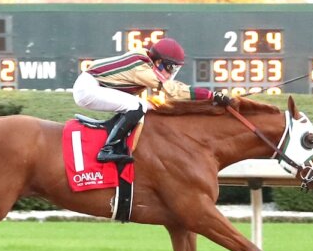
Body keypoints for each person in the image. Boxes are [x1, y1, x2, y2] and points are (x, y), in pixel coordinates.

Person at [73, 37, 227, 164]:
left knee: (146, 106)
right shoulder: (142, 69)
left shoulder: (146, 59)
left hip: (95, 84)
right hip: (87, 88)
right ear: (158, 62)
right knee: (137, 105)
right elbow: (174, 91)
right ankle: (107, 150)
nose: (171, 74)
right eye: (171, 68)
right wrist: (211, 95)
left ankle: (121, 142)